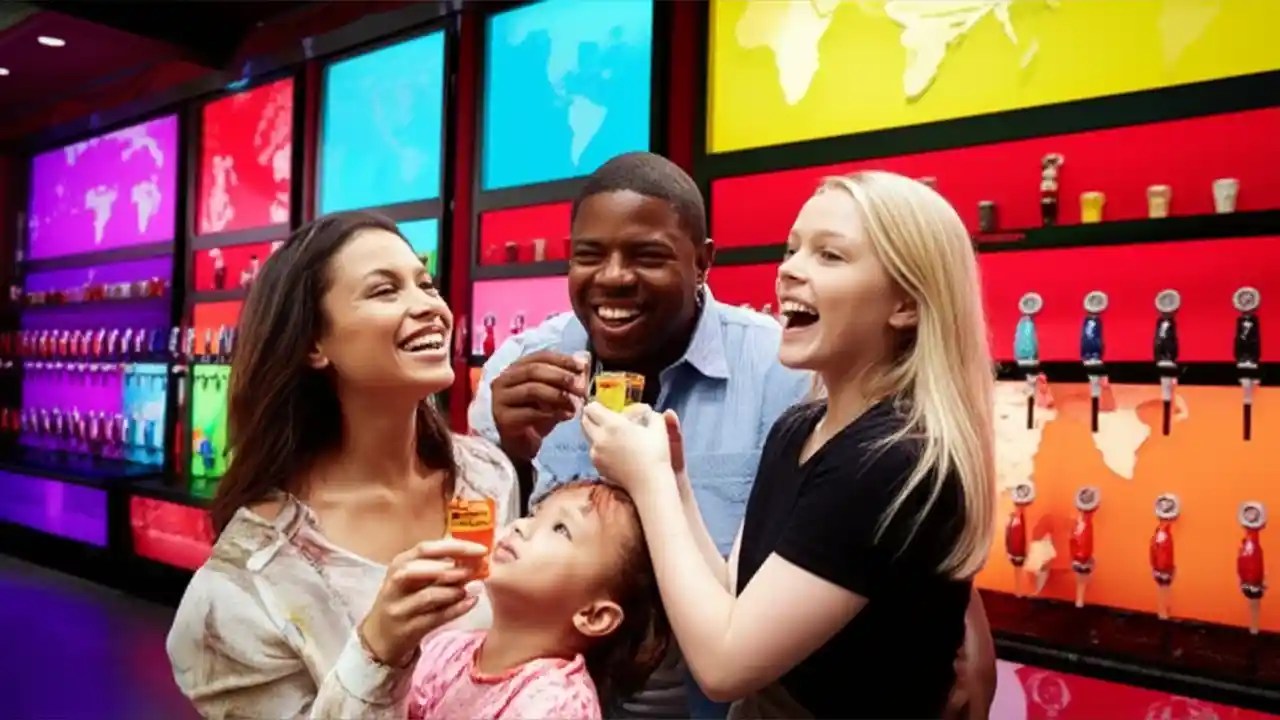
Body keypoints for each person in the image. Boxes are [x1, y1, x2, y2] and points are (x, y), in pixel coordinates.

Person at [470, 154, 996, 719]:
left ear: (702, 263)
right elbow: (736, 589)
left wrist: (649, 484)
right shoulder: (803, 425)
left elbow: (726, 666)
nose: (790, 269)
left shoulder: (825, 413)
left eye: (830, 254)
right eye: (793, 249)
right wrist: (670, 477)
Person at [469, 151, 811, 718]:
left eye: (647, 256)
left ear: (702, 263)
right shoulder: (521, 366)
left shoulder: (780, 373)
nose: (613, 278)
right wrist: (508, 453)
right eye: (589, 256)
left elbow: (840, 523)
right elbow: (480, 555)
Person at [166, 211, 520, 718]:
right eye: (385, 291)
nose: (429, 308)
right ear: (314, 343)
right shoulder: (248, 582)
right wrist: (379, 649)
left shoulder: (488, 478)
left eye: (427, 284)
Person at [329, 480, 670, 719]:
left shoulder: (558, 704)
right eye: (535, 514)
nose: (521, 526)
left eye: (561, 529)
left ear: (594, 616)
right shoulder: (448, 651)